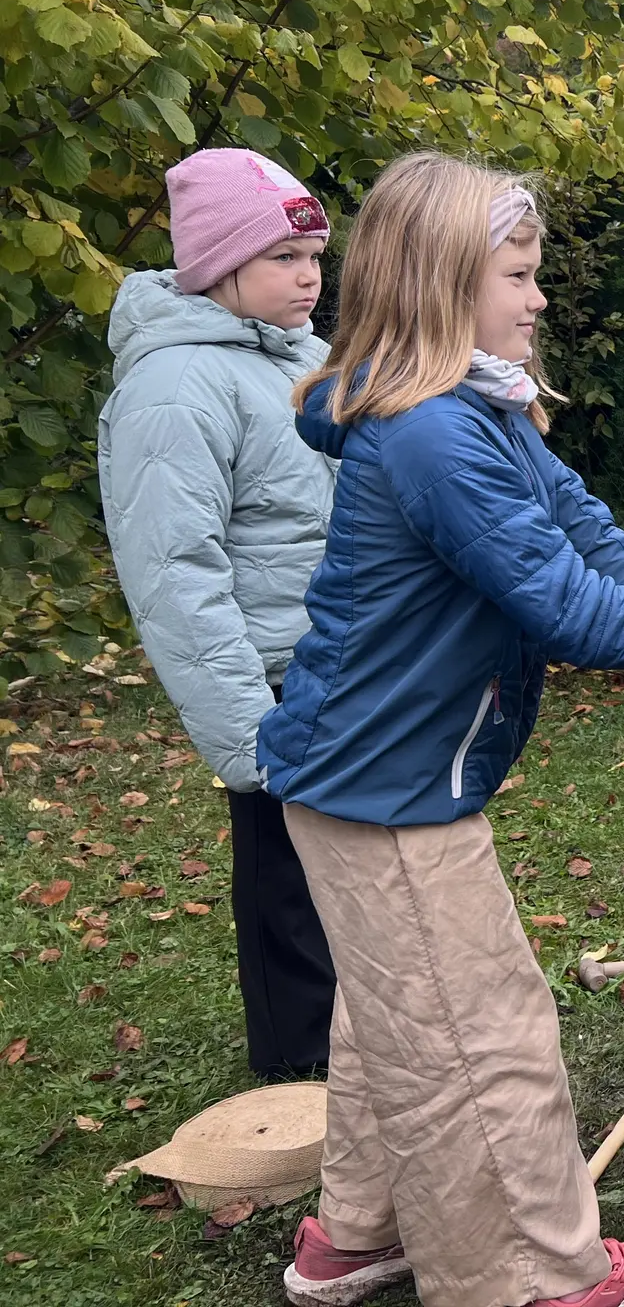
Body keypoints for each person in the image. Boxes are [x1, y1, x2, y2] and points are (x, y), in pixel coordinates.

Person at [256, 153, 624, 1307]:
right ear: (441, 285)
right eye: (518, 277)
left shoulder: (481, 417)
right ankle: (537, 1280)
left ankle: (358, 1233)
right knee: (483, 1038)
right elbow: (570, 609)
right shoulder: (433, 436)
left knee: (401, 1016)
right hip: (385, 791)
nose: (538, 299)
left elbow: (595, 543)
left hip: (369, 778)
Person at [97, 148, 339, 1081]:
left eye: (314, 256)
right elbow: (175, 574)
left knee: (345, 876)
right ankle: (298, 1075)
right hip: (271, 683)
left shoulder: (308, 359)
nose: (309, 277)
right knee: (287, 883)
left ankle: (360, 1056)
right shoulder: (173, 390)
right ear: (216, 264)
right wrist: (249, 740)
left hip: (338, 662)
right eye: (284, 257)